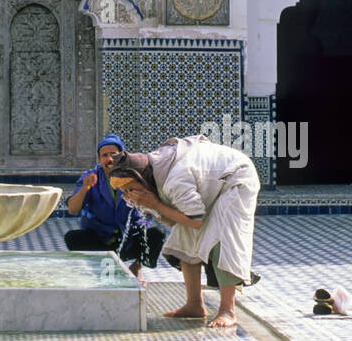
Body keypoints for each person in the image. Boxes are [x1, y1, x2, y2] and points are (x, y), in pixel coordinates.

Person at [106, 134, 260, 329]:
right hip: (212, 185)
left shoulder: (175, 181)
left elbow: (195, 221)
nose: (128, 194)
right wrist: (150, 207)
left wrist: (154, 204)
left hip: (236, 179)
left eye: (130, 187)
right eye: (125, 191)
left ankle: (227, 311)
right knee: (183, 239)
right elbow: (175, 221)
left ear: (140, 178)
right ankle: (195, 304)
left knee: (222, 239)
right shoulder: (154, 172)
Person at [65, 133, 165, 279]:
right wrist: (85, 188)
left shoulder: (135, 176)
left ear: (122, 156)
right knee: (72, 238)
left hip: (129, 240)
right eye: (104, 155)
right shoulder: (90, 176)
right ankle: (100, 267)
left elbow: (153, 207)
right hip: (100, 239)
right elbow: (72, 209)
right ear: (99, 159)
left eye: (113, 154)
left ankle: (137, 266)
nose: (109, 159)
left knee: (157, 233)